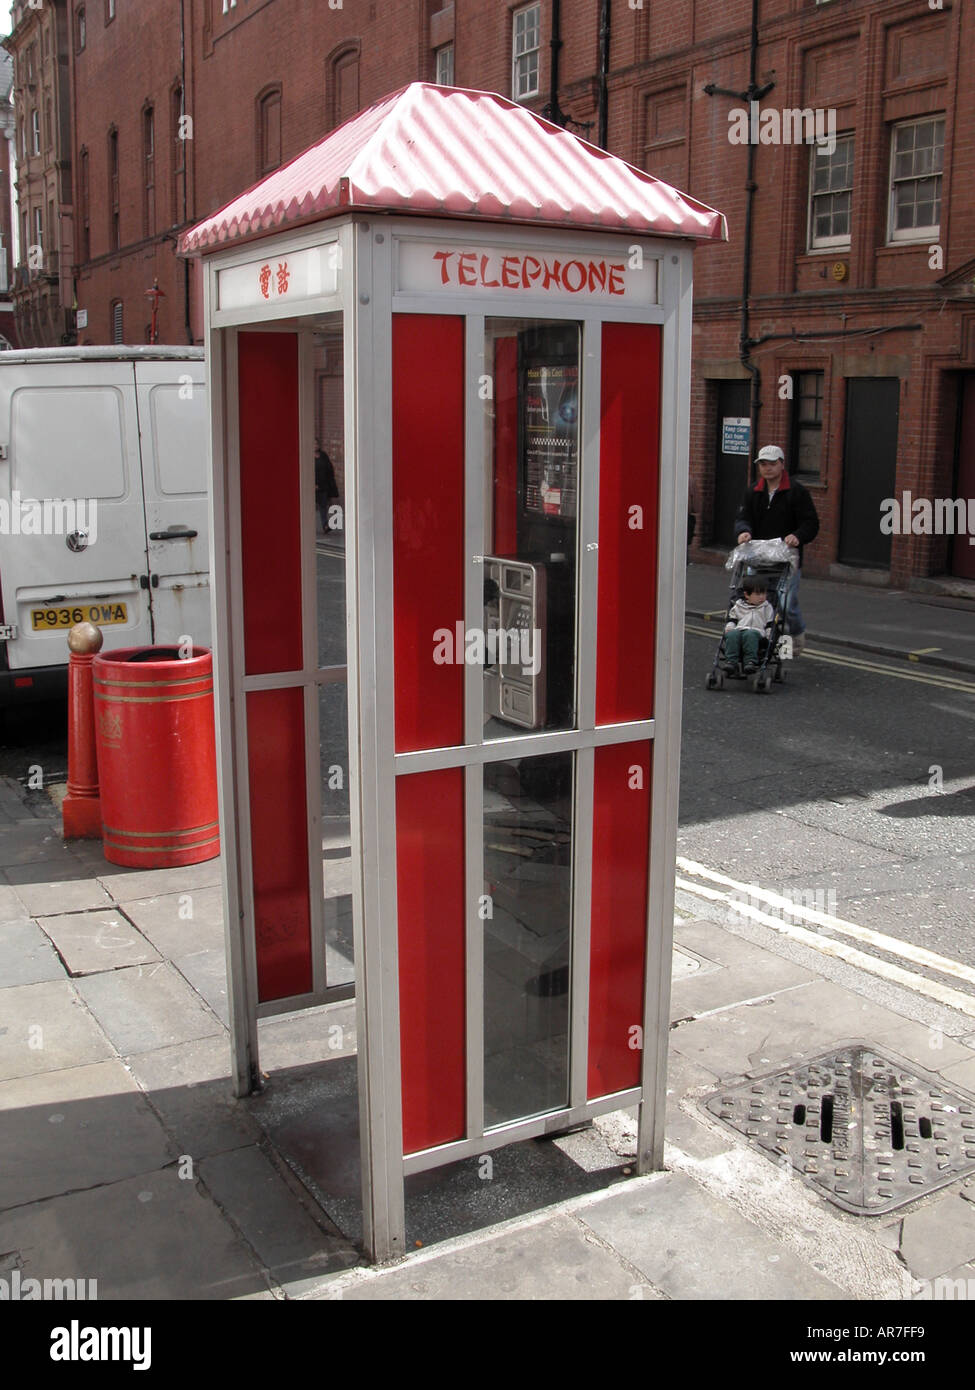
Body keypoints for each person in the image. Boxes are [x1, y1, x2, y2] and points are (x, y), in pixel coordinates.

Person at [734, 444, 819, 651]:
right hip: (758, 557)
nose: (768, 468)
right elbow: (743, 518)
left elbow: (811, 523)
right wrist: (744, 531)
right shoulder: (753, 491)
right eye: (763, 464)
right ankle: (762, 643)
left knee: (786, 604)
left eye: (772, 464)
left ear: (782, 464)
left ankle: (796, 635)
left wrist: (797, 536)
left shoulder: (797, 492)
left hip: (786, 559)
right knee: (755, 601)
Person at [722, 577, 774, 676]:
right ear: (747, 595)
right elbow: (732, 619)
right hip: (740, 629)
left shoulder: (767, 607)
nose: (762, 597)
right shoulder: (738, 606)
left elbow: (769, 624)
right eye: (758, 594)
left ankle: (750, 661)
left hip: (757, 632)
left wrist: (769, 637)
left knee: (750, 634)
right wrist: (729, 628)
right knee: (732, 634)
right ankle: (731, 662)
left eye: (764, 593)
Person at [314, 439, 339, 534]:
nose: (316, 445)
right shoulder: (307, 456)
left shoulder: (323, 455)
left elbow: (329, 469)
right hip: (312, 486)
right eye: (314, 444)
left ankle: (325, 525)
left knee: (323, 506)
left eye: (317, 443)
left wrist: (330, 484)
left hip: (323, 486)